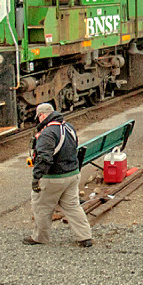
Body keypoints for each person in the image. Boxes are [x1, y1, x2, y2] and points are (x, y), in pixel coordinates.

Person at [24, 103, 93, 247]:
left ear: (42, 115)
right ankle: (85, 237)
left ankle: (40, 237)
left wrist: (36, 177)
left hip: (54, 177)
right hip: (72, 175)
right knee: (73, 206)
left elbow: (44, 158)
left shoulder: (47, 133)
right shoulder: (69, 127)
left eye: (39, 117)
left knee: (42, 207)